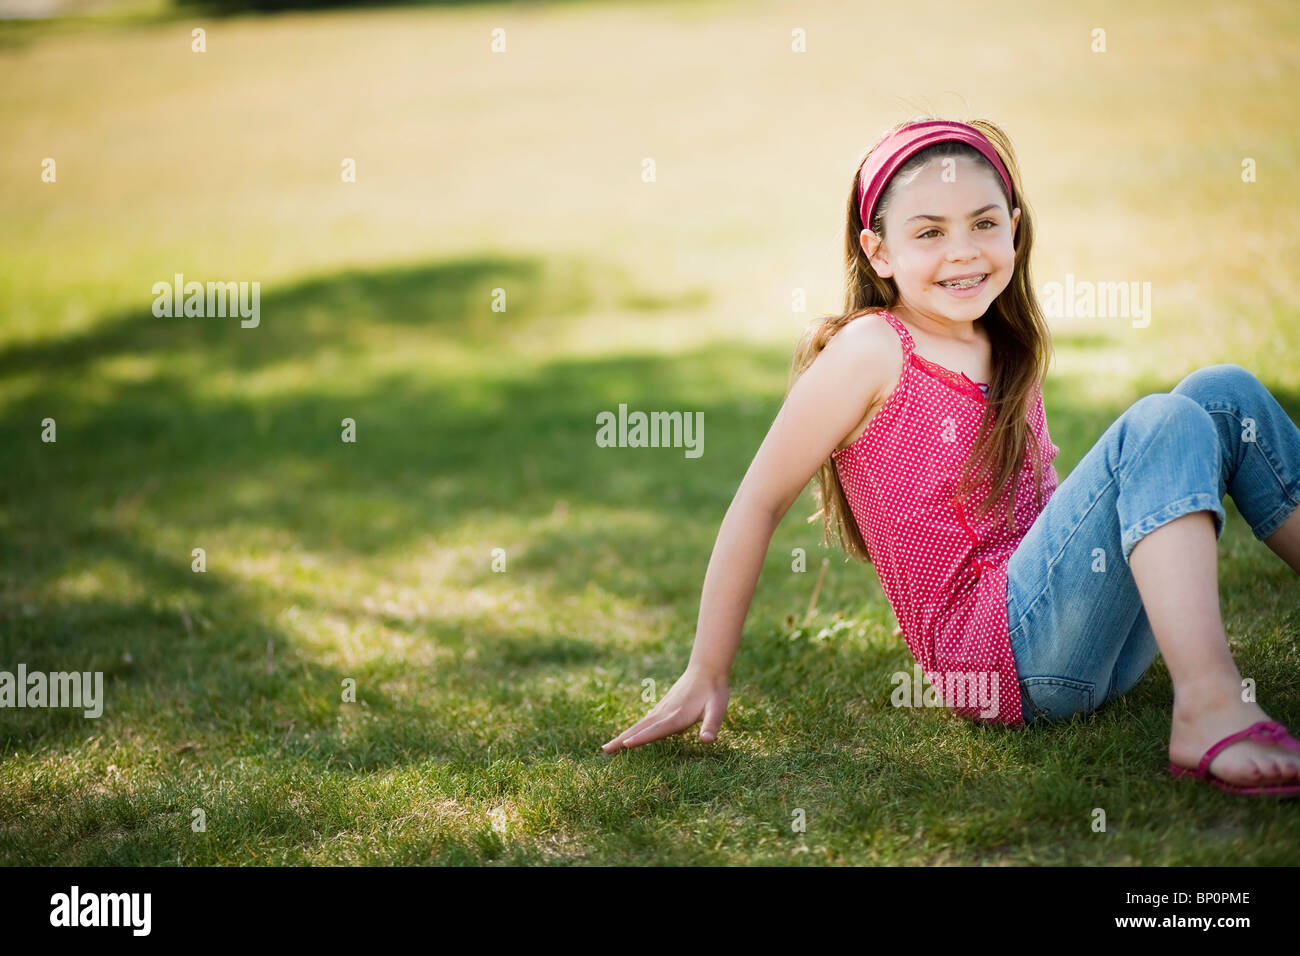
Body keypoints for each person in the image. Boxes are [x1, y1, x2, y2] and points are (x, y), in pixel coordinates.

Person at [601, 116, 1300, 796]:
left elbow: (1045, 521)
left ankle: (1204, 686)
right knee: (1161, 421)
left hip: (1085, 641)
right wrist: (707, 669)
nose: (962, 251)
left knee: (1224, 392)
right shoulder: (872, 350)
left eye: (984, 223)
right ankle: (1208, 704)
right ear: (878, 252)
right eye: (930, 232)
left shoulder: (1004, 343)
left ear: (1015, 229)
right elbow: (758, 502)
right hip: (1000, 661)